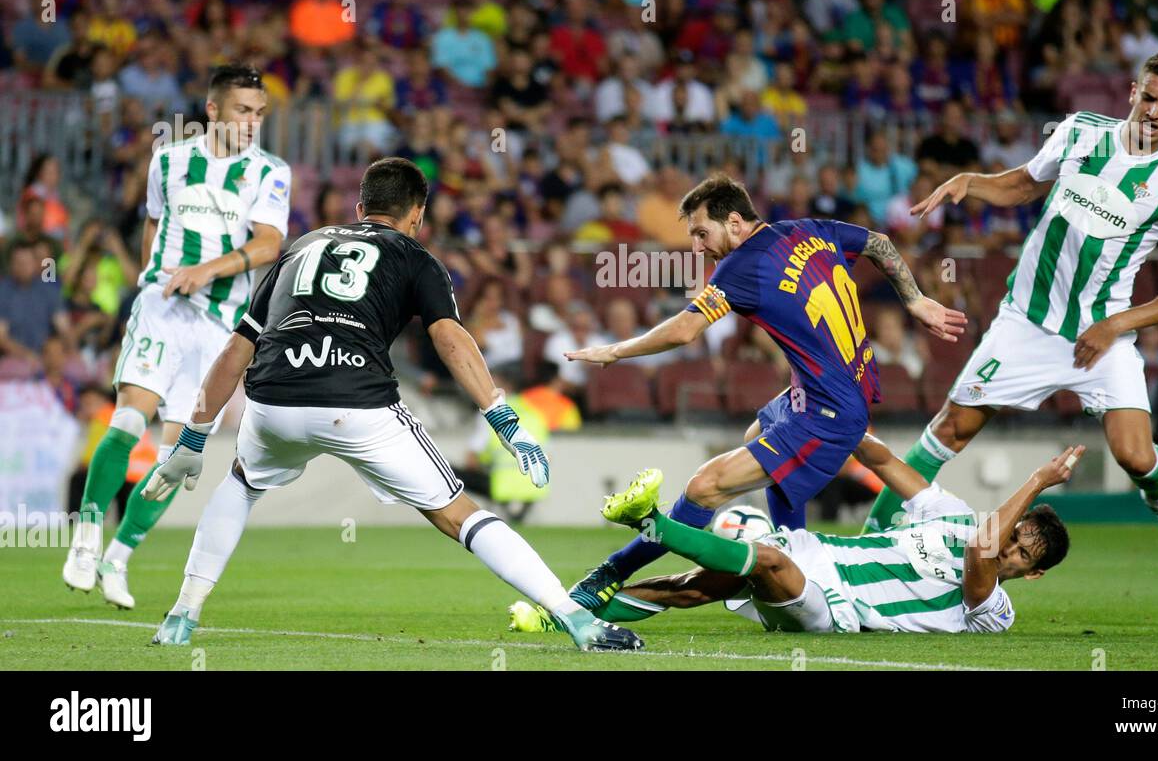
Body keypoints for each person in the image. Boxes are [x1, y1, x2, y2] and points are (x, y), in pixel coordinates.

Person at [142, 158, 640, 653]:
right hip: (355, 405)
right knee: (457, 513)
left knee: (241, 483)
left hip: (274, 400)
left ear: (361, 208)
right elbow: (450, 338)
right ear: (417, 216)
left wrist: (193, 436)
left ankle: (183, 614)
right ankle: (577, 618)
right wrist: (501, 416)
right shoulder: (416, 257)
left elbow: (236, 350)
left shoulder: (301, 248)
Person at [562, 174, 965, 610]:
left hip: (827, 413)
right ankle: (794, 547)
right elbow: (879, 243)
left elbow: (684, 330)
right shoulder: (807, 230)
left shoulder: (740, 266)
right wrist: (915, 299)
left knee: (704, 488)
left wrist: (616, 351)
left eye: (702, 233)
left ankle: (611, 572)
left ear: (734, 222)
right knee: (758, 433)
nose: (698, 247)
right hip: (827, 392)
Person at [867, 52, 1158, 555]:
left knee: (1136, 456)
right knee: (951, 427)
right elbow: (1026, 184)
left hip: (1100, 333)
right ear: (1132, 92)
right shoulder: (1079, 131)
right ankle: (873, 539)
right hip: (1026, 321)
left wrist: (1116, 324)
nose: (1154, 111)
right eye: (1149, 96)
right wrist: (972, 182)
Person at [62, 65, 292, 609]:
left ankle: (118, 558)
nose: (252, 122)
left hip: (220, 327)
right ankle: (86, 538)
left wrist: (206, 271)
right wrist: (153, 278)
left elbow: (269, 244)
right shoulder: (167, 159)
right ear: (212, 110)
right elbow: (152, 222)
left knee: (176, 457)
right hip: (163, 309)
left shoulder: (270, 172)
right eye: (243, 110)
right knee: (126, 418)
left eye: (259, 113)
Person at [511, 439, 1077, 635]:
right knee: (692, 587)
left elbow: (983, 551)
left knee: (763, 558)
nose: (1007, 550)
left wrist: (1036, 481)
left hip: (839, 610)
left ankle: (651, 522)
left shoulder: (994, 609)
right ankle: (565, 613)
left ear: (1034, 574)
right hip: (823, 557)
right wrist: (829, 408)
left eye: (1021, 554)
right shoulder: (951, 514)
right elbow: (878, 457)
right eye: (1015, 539)